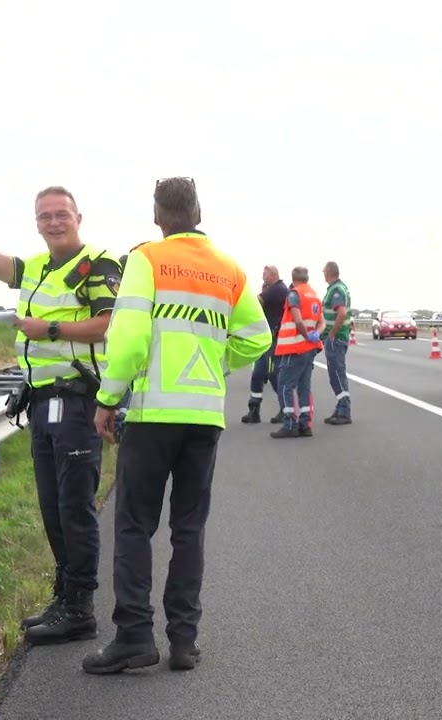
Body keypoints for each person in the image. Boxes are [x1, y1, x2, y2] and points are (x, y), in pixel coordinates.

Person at [82, 177, 272, 675]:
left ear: (157, 217)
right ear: (198, 212)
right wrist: (214, 363)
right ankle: (184, 641)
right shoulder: (230, 269)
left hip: (152, 415)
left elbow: (128, 340)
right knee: (189, 528)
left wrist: (107, 398)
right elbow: (258, 338)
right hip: (204, 416)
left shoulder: (145, 260)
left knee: (134, 526)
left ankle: (134, 637)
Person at [0, 187, 123, 646]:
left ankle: (80, 609)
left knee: (75, 507)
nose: (54, 222)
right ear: (36, 224)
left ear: (78, 217)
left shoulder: (98, 265)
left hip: (77, 400)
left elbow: (110, 323)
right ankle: (64, 596)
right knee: (53, 508)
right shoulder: (35, 267)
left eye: (61, 214)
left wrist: (48, 328)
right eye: (45, 216)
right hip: (41, 400)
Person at [270, 266, 324, 439]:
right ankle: (305, 424)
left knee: (284, 386)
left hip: (293, 347)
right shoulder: (314, 296)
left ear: (293, 278)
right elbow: (322, 322)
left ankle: (290, 424)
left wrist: (305, 335)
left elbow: (297, 319)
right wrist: (315, 335)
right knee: (304, 387)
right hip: (309, 349)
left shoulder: (294, 294)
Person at [241, 265, 289, 424]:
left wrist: (241, 300)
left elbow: (257, 301)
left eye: (265, 274)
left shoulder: (278, 289)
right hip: (266, 338)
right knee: (258, 374)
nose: (263, 277)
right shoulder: (273, 289)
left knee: (273, 374)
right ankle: (254, 410)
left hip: (274, 339)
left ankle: (286, 409)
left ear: (273, 274)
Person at [320, 261, 353, 425]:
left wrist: (332, 334)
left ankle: (344, 411)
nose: (323, 274)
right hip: (336, 337)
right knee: (335, 374)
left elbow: (341, 313)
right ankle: (340, 407)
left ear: (329, 272)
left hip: (336, 338)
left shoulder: (337, 290)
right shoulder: (336, 288)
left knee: (337, 374)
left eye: (324, 271)